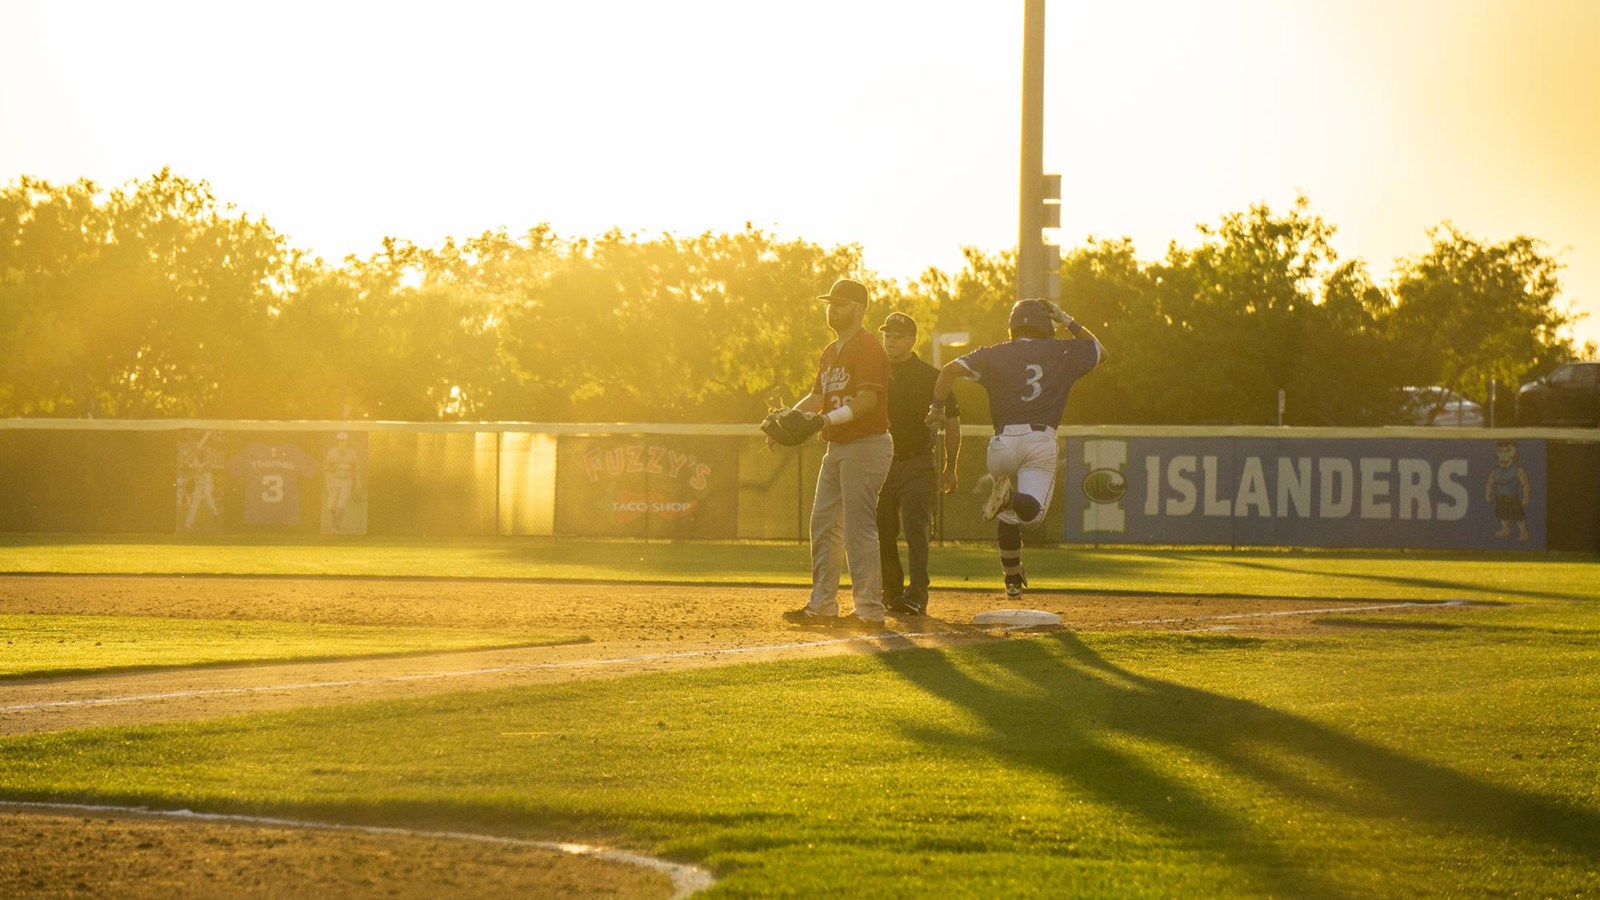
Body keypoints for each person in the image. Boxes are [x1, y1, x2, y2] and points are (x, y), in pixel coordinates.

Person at [926, 299, 1106, 600]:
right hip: (1038, 441)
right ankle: (1010, 498)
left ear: (1013, 325)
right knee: (1031, 516)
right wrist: (1067, 319)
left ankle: (1011, 579)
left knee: (1008, 516)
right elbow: (1101, 351)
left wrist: (937, 408)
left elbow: (947, 371)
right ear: (1046, 325)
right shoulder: (1061, 350)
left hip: (1001, 445)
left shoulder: (992, 353)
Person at [780, 278, 895, 628]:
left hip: (867, 443)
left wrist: (823, 420)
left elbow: (866, 402)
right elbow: (817, 399)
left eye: (840, 303)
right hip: (836, 445)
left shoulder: (869, 347)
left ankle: (869, 611)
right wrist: (787, 419)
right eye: (831, 302)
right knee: (824, 524)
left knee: (858, 528)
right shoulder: (830, 352)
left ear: (858, 310)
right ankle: (823, 605)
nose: (833, 308)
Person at [875, 311, 961, 617]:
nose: (891, 341)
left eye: (898, 336)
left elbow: (952, 422)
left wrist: (951, 466)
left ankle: (917, 594)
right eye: (887, 335)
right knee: (883, 528)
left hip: (917, 461)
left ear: (913, 340)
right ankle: (891, 590)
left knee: (916, 529)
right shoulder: (875, 373)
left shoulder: (931, 376)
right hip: (881, 462)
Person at [1486, 439, 1530, 542]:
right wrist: (1488, 494)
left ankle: (1523, 531)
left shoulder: (1518, 470)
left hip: (1512, 498)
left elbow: (1525, 484)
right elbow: (1490, 483)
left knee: (1518, 515)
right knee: (1502, 514)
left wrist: (1526, 496)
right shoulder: (1495, 472)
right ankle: (1505, 529)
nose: (1504, 456)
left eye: (1507, 451)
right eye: (1501, 452)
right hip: (1500, 497)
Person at [323, 431, 364, 534]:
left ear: (347, 442)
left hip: (347, 481)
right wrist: (328, 481)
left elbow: (356, 469)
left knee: (341, 505)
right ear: (337, 442)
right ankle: (335, 522)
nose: (342, 443)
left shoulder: (352, 453)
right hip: (334, 479)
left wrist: (358, 481)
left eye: (344, 441)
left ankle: (336, 526)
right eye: (340, 441)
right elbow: (327, 469)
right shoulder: (332, 452)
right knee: (331, 506)